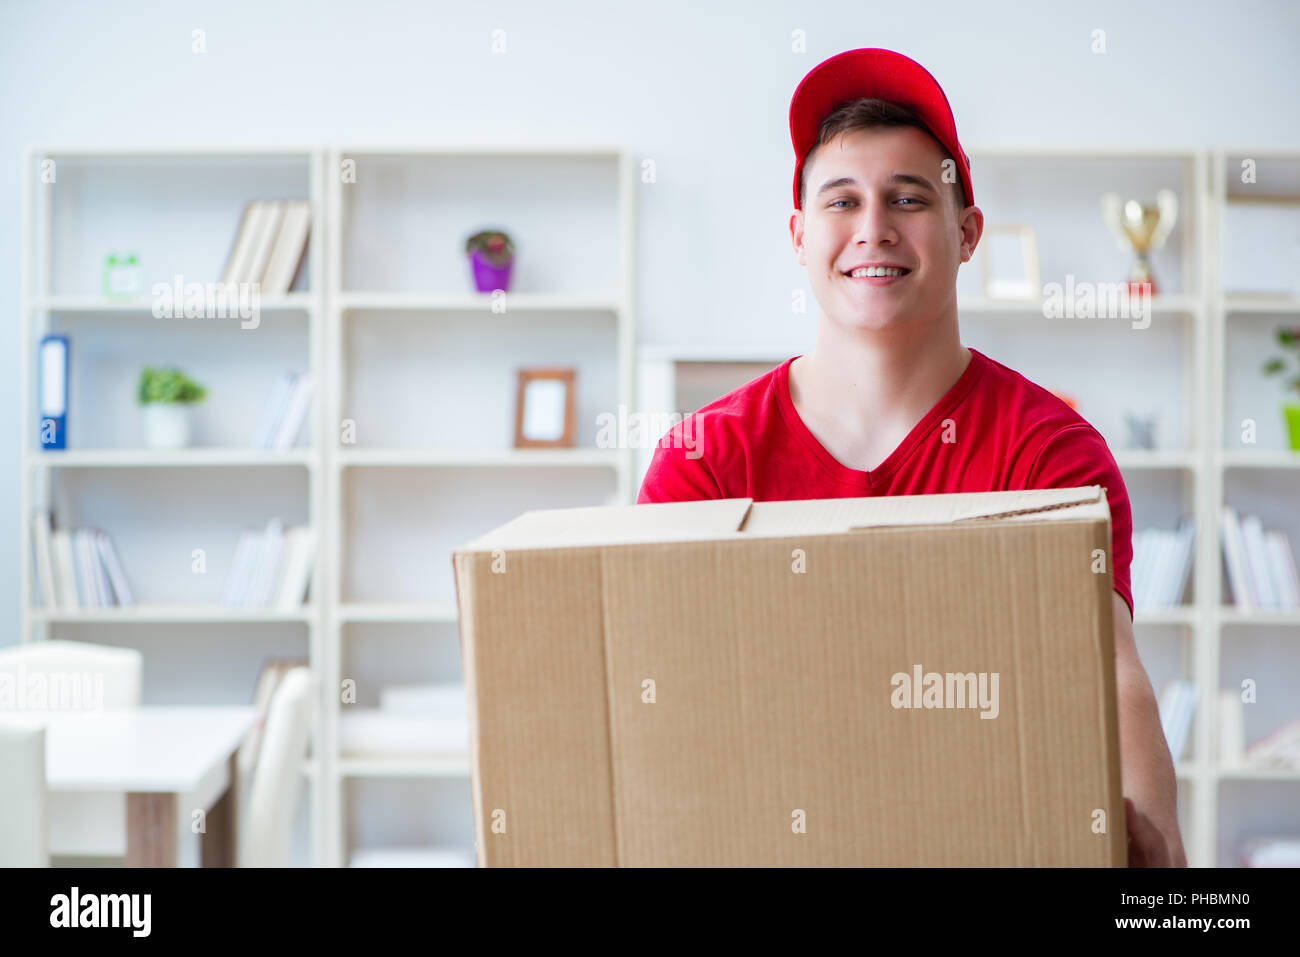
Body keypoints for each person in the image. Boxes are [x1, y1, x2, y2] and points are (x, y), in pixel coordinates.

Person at [637, 47, 1185, 868]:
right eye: (843, 200)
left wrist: (1158, 848)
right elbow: (656, 695)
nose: (873, 228)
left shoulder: (1049, 451)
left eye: (908, 197)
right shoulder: (705, 457)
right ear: (798, 236)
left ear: (967, 234)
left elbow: (1109, 674)